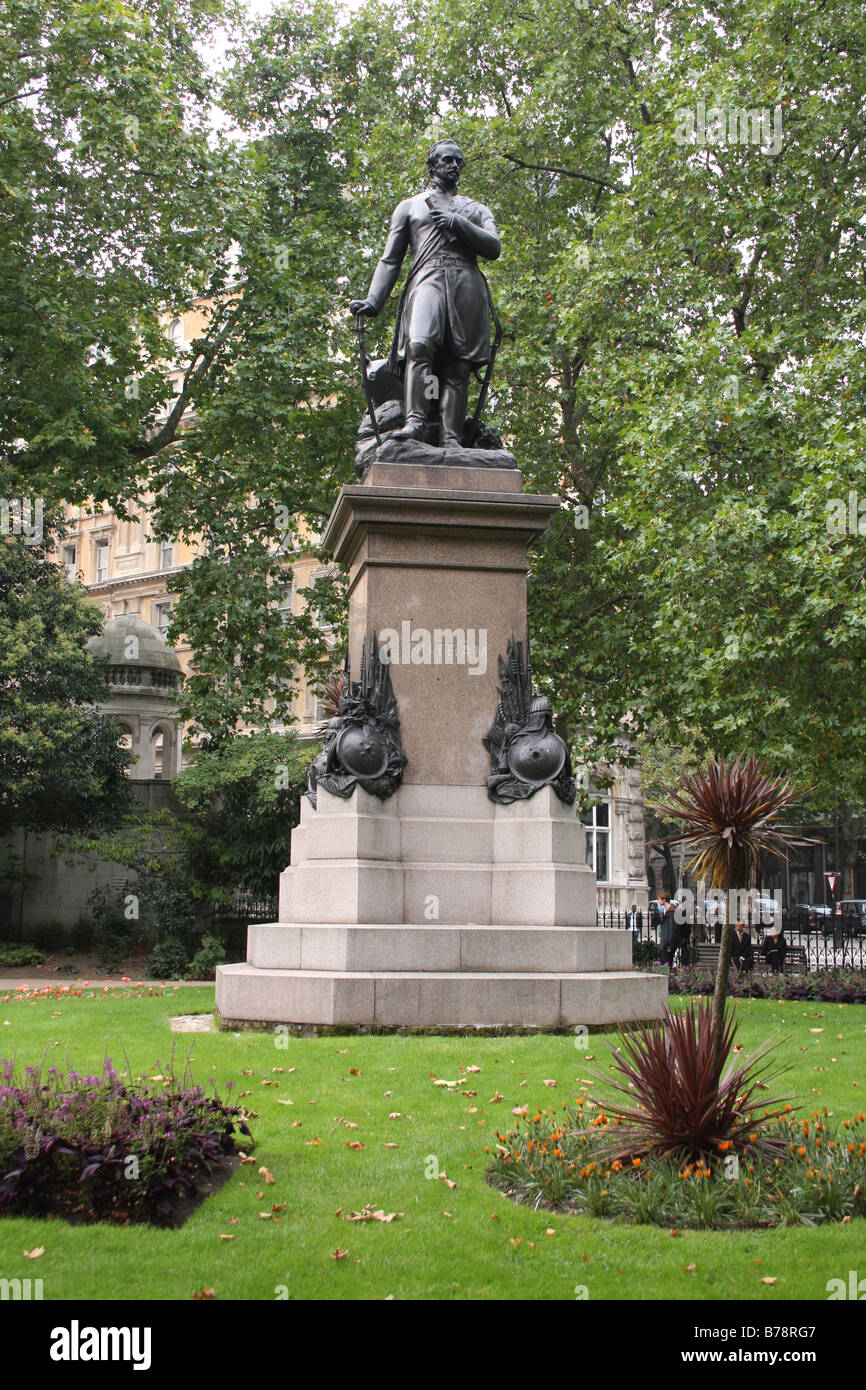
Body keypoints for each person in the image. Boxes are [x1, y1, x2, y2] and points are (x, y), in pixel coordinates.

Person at [349, 138, 501, 447]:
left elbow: (493, 247)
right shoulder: (410, 206)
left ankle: (451, 437)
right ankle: (415, 422)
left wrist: (458, 224)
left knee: (458, 363)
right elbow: (390, 259)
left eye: (459, 161)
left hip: (466, 285)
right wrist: (373, 302)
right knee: (419, 346)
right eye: (447, 160)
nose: (454, 165)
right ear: (432, 166)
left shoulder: (475, 209)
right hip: (427, 278)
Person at [658, 891, 680, 968]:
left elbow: (672, 928)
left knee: (667, 965)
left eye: (659, 899)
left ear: (664, 900)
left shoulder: (671, 912)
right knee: (665, 964)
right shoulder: (667, 911)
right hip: (666, 943)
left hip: (667, 944)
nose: (658, 901)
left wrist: (669, 945)